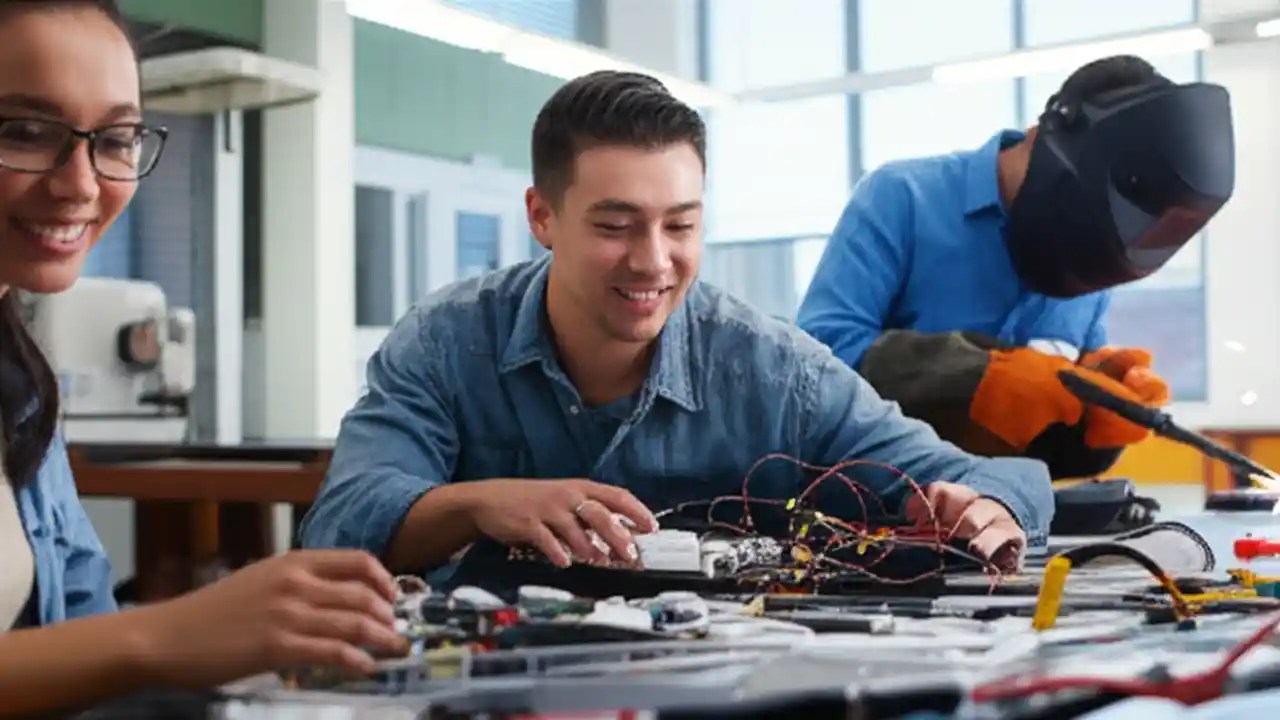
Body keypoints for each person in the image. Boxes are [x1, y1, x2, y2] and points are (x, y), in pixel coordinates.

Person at [298, 69, 1055, 593]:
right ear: (542, 217)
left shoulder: (772, 369)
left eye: (680, 225)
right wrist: (481, 503)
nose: (653, 262)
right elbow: (339, 525)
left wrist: (985, 507)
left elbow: (987, 479)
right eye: (615, 226)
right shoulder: (444, 341)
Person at [0, 2, 406, 715]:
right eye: (26, 133)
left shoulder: (23, 389)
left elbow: (81, 631)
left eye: (117, 140)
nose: (82, 184)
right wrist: (167, 633)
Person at [797, 55, 1234, 479]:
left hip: (1009, 527)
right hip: (875, 514)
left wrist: (1101, 414)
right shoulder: (903, 198)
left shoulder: (1091, 258)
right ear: (1042, 138)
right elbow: (813, 372)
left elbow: (1048, 424)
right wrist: (972, 377)